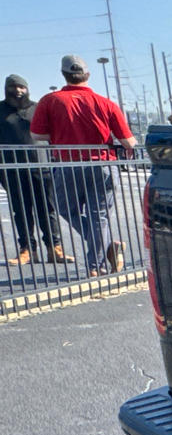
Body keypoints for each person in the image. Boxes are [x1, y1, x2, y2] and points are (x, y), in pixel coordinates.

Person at [29, 54, 136, 277]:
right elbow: (128, 141)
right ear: (87, 74)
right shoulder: (106, 103)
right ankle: (97, 264)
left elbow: (37, 134)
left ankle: (103, 254)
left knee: (66, 209)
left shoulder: (50, 100)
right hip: (103, 165)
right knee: (100, 216)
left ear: (64, 75)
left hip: (69, 163)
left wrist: (60, 135)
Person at [1, 75, 67, 266]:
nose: (18, 90)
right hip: (12, 169)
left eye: (21, 86)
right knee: (21, 210)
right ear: (6, 89)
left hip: (42, 167)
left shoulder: (39, 108)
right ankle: (27, 250)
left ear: (27, 89)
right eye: (13, 87)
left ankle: (54, 248)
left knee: (47, 209)